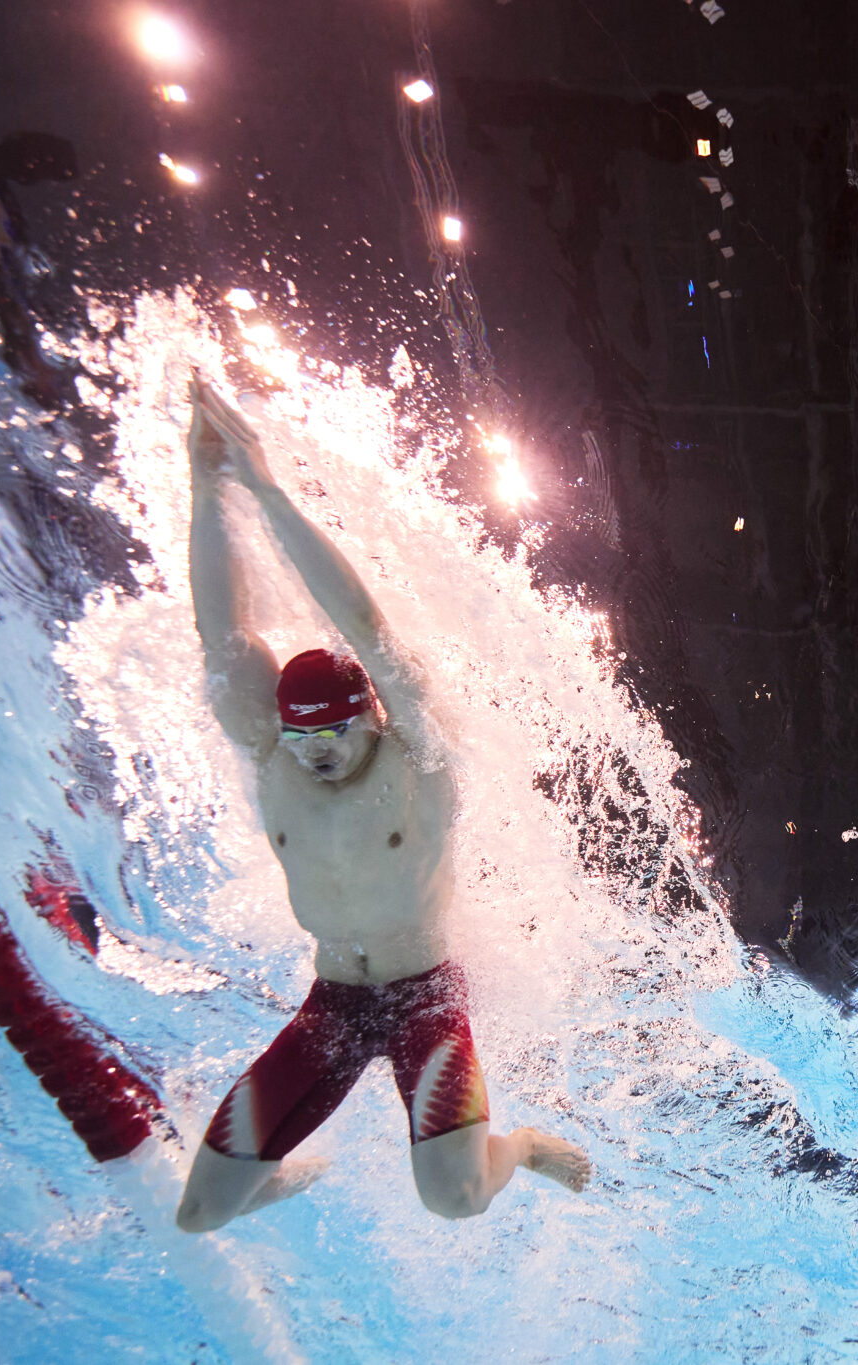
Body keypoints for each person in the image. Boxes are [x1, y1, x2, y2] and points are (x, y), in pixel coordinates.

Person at [174, 376, 590, 1232]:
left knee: (455, 1197)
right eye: (302, 738)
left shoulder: (421, 756)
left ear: (371, 714)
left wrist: (265, 488)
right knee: (199, 1213)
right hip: (333, 999)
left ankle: (523, 1145)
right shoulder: (272, 752)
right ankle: (266, 1178)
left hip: (422, 995)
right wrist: (206, 484)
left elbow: (367, 626)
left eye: (335, 733)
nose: (318, 753)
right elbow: (223, 632)